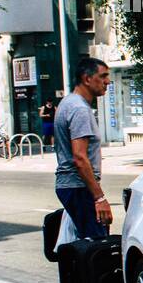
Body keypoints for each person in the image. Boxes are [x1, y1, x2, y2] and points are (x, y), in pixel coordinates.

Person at [54, 57, 113, 239]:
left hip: (72, 187)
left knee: (82, 246)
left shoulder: (68, 103)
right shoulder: (79, 109)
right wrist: (99, 198)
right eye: (102, 76)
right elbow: (80, 158)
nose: (107, 81)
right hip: (78, 187)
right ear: (87, 79)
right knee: (96, 246)